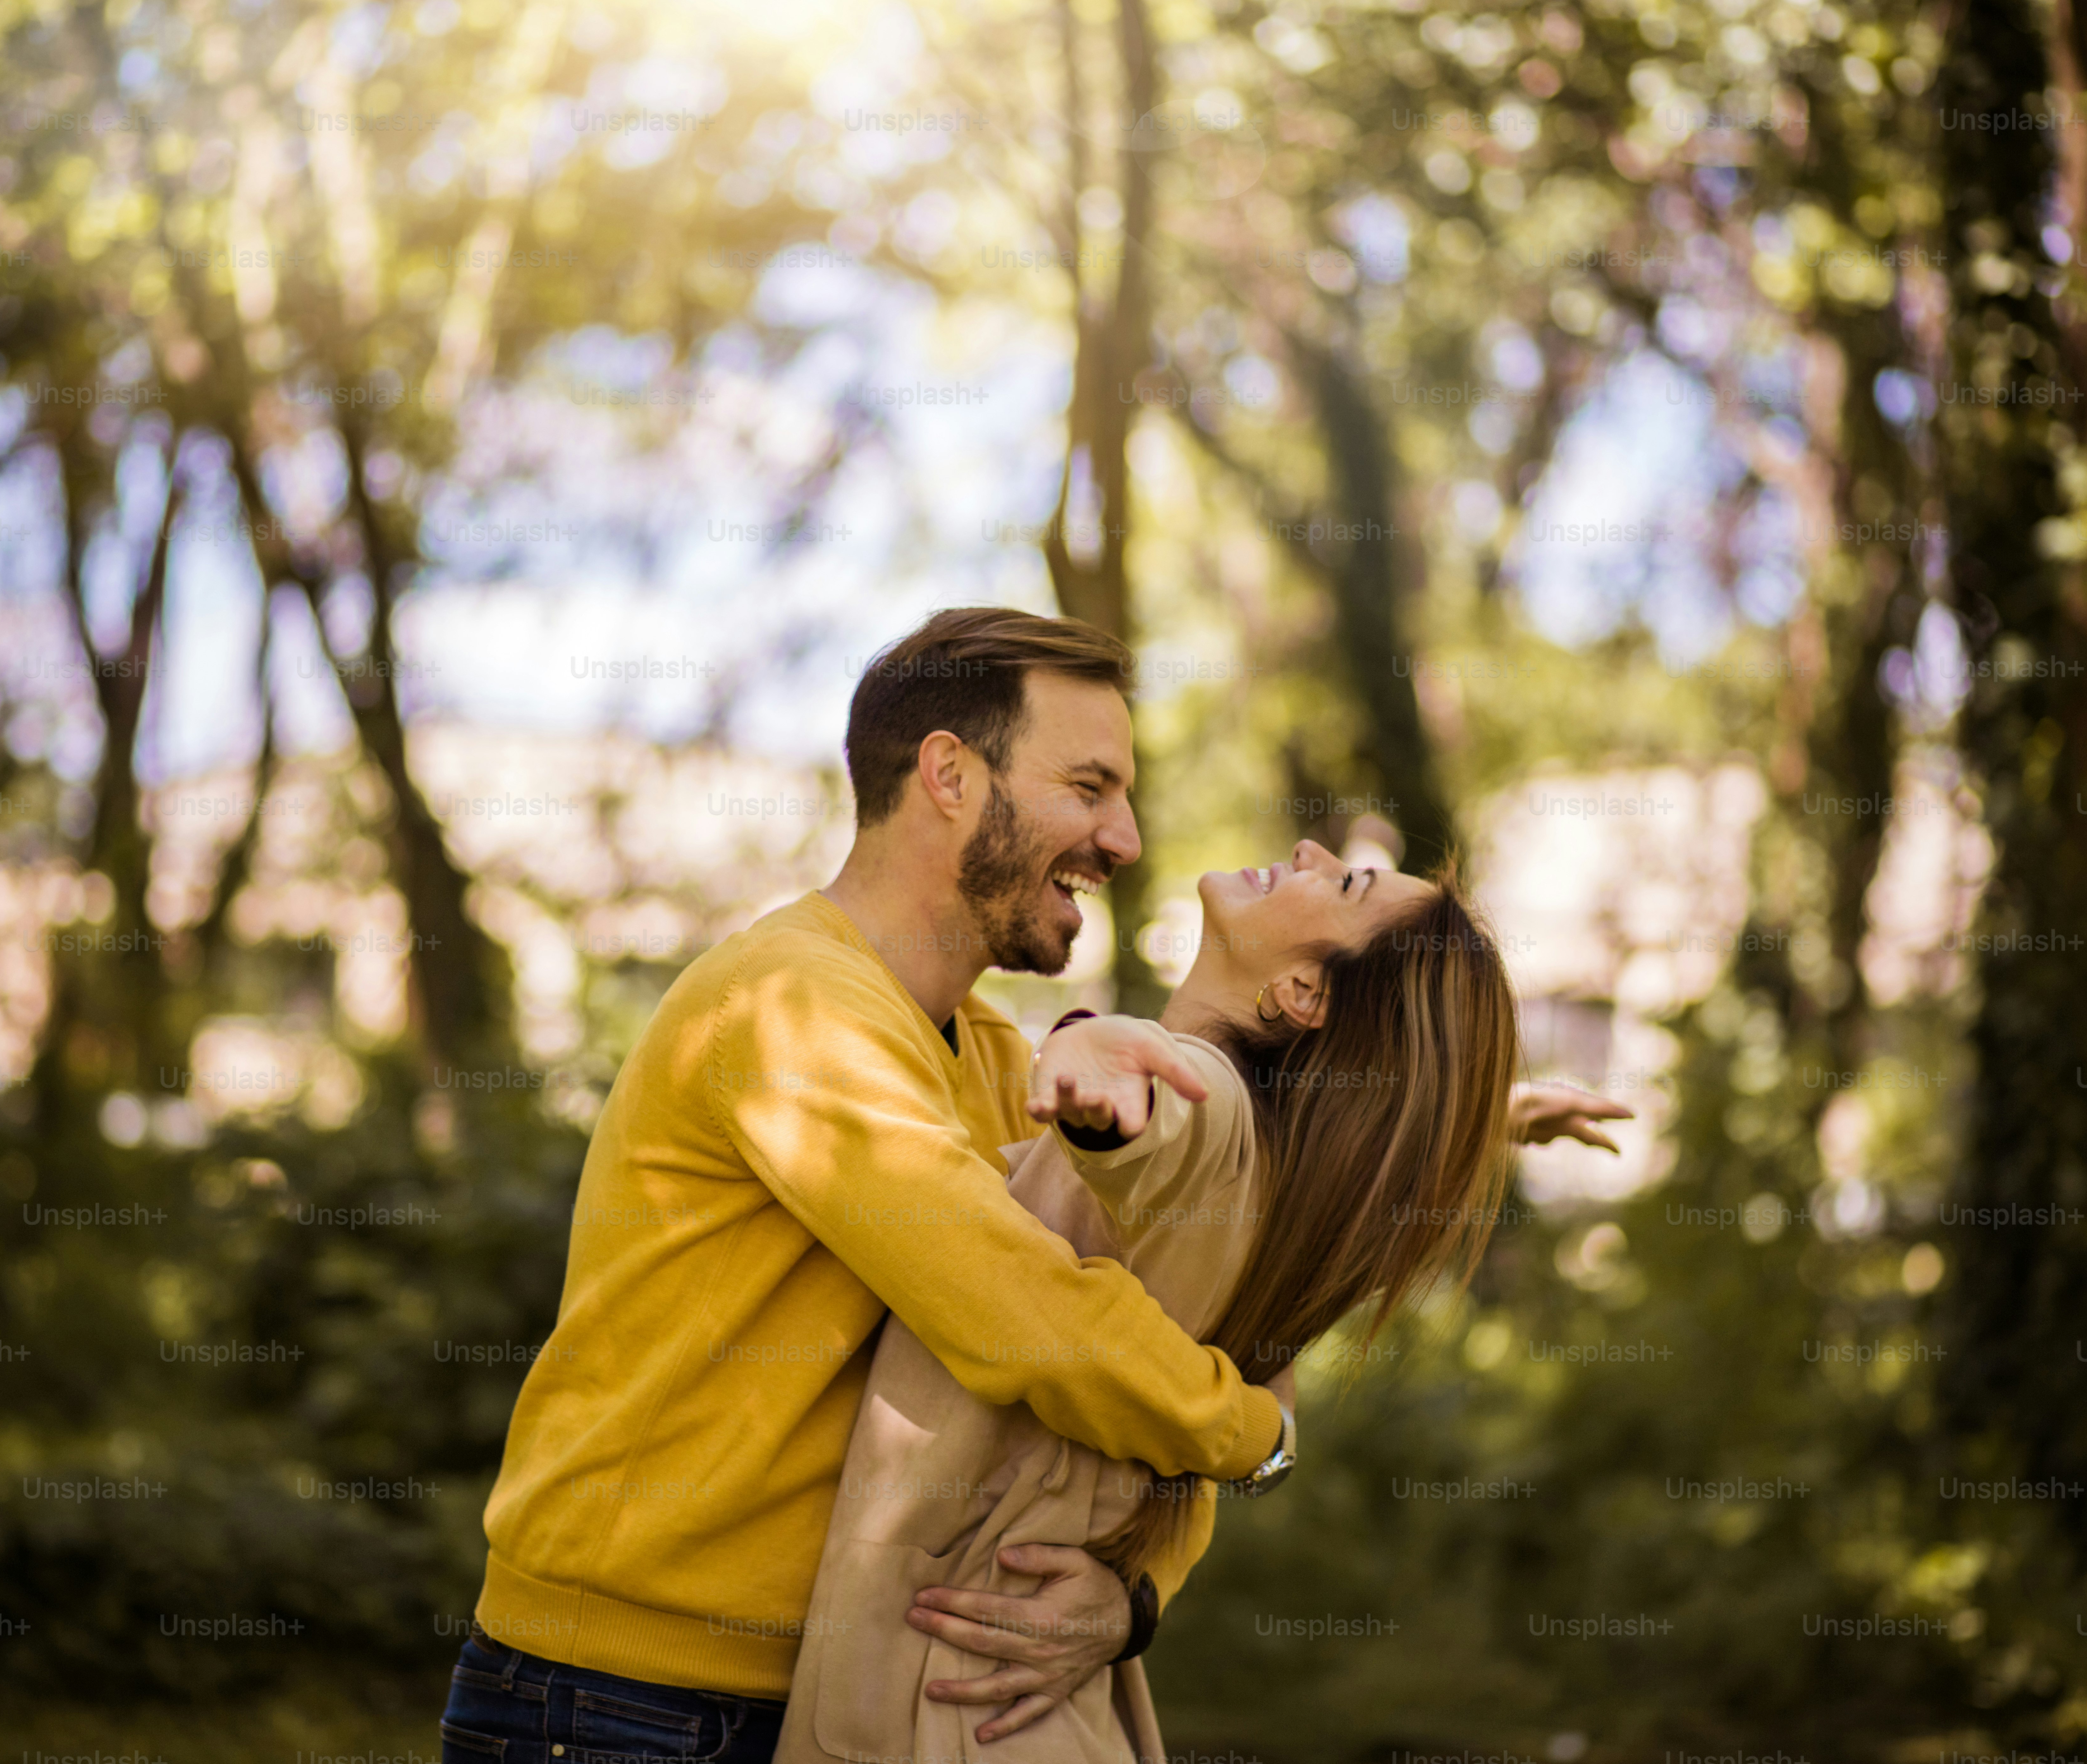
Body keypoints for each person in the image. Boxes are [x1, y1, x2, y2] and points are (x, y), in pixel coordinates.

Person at [439, 610, 1294, 1763]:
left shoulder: (988, 1057)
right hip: (614, 1705)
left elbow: (1115, 1353)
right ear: (950, 775)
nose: (1125, 838)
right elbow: (1026, 1316)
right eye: (1088, 787)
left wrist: (1135, 1590)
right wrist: (1254, 1435)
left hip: (826, 1695)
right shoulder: (785, 1006)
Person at [775, 841, 1627, 1762]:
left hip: (951, 1712)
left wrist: (1096, 1065)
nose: (1310, 850)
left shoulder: (1202, 1099)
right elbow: (1321, 1148)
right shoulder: (1275, 1184)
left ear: (1303, 994)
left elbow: (1168, 1126)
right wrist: (1484, 1116)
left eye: (1346, 883)